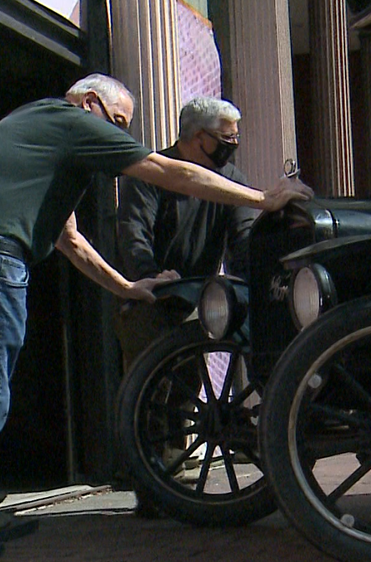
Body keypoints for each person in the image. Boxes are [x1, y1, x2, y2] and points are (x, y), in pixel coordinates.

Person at [0, 73, 313, 562]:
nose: (122, 137)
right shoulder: (71, 123)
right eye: (118, 123)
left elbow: (67, 237)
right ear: (90, 103)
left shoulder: (33, 125)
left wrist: (125, 288)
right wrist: (263, 199)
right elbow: (163, 169)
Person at [114, 97, 261, 518]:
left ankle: (172, 477)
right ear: (198, 137)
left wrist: (249, 280)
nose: (233, 145)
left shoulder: (229, 178)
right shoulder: (153, 173)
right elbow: (133, 230)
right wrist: (149, 275)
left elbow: (242, 237)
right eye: (226, 138)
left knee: (184, 391)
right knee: (148, 389)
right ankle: (149, 483)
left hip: (196, 296)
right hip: (148, 295)